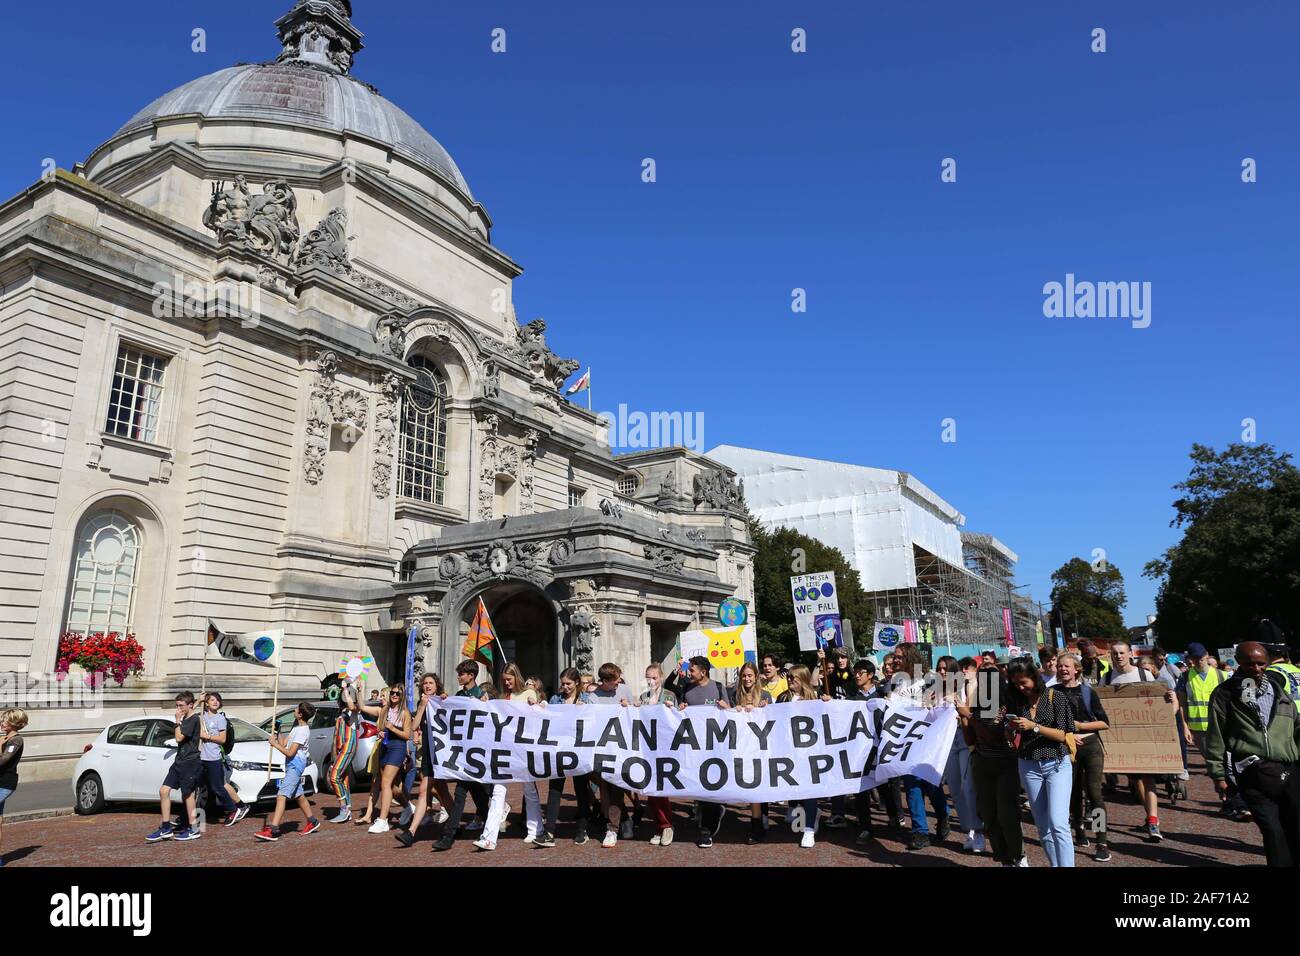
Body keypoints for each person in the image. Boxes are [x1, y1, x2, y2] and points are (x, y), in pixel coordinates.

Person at [1205, 640, 1300, 867]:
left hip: (1287, 768)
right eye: (1250, 664)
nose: (1256, 669)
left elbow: (1296, 728)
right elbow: (1216, 736)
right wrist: (1218, 775)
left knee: (1295, 825)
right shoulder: (1225, 694)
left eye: (1260, 664)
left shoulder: (1279, 692)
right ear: (1238, 662)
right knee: (1272, 829)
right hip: (1252, 771)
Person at [1006, 659, 1076, 867]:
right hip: (1028, 765)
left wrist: (1033, 726)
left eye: (1023, 682)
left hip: (1056, 763)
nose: (1020, 687)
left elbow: (1063, 734)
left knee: (1058, 823)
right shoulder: (1017, 700)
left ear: (1034, 677)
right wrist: (1010, 730)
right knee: (1043, 825)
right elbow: (1013, 734)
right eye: (1015, 683)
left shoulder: (1056, 697)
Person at [1102, 640, 1170, 841]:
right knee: (1135, 780)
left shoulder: (1144, 675)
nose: (1119, 656)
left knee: (1147, 779)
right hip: (1121, 737)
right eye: (1115, 653)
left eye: (1122, 653)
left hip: (1144, 734)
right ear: (1110, 655)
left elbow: (1156, 702)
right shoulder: (1106, 678)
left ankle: (1153, 821)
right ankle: (1148, 815)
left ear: (1129, 654)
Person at [961, 662, 1026, 866]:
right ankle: (1003, 858)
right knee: (989, 816)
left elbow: (991, 735)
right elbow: (970, 740)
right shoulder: (977, 702)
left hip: (1006, 763)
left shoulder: (1007, 702)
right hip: (982, 764)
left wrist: (968, 716)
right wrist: (965, 720)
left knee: (1007, 814)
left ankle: (1019, 856)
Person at [890, 645, 948, 850]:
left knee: (932, 785)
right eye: (895, 658)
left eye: (899, 657)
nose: (895, 660)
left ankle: (943, 815)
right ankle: (920, 832)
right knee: (912, 786)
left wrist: (930, 703)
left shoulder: (930, 679)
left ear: (909, 657)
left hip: (928, 741)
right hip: (906, 743)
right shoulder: (896, 682)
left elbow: (941, 705)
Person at [1056, 652, 1112, 862]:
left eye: (1067, 666)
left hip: (1090, 745)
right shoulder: (1051, 693)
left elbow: (1104, 722)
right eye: (1060, 666)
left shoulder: (1088, 692)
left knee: (1094, 793)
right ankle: (1078, 827)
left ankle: (1101, 841)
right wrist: (1067, 734)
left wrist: (1080, 726)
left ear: (1076, 669)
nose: (1063, 669)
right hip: (1065, 746)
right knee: (1071, 791)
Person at [433, 660, 493, 852]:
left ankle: (448, 836)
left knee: (463, 793)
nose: (459, 677)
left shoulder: (482, 695)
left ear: (471, 676)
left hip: (476, 753)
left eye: (462, 674)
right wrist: (443, 700)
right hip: (463, 752)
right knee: (476, 794)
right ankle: (490, 821)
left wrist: (486, 705)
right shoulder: (459, 695)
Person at [535, 667, 596, 848]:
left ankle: (582, 830)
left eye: (568, 684)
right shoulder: (556, 699)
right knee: (554, 790)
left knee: (581, 790)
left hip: (578, 751)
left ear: (577, 683)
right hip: (559, 750)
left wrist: (584, 711)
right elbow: (546, 715)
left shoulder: (586, 700)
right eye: (563, 684)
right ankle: (549, 832)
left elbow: (595, 720)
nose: (565, 687)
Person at [395, 673, 456, 847]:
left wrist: (444, 700)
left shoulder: (442, 701)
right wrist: (422, 706)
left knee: (423, 791)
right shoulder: (423, 704)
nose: (428, 685)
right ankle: (454, 823)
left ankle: (411, 832)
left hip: (441, 754)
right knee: (442, 792)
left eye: (431, 683)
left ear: (437, 685)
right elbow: (414, 727)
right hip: (429, 754)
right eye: (425, 683)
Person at [679, 656, 732, 847]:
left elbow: (730, 714)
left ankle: (706, 830)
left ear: (703, 672)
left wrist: (726, 708)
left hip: (714, 747)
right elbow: (679, 713)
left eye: (692, 670)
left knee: (709, 785)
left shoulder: (718, 687)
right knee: (698, 785)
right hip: (693, 746)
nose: (688, 673)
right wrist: (681, 709)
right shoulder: (686, 688)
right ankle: (711, 811)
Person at [936, 655, 984, 854]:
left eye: (945, 668)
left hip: (965, 739)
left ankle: (979, 832)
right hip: (947, 742)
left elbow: (973, 715)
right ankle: (969, 829)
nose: (941, 672)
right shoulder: (935, 691)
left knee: (968, 787)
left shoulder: (967, 687)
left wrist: (956, 704)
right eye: (939, 668)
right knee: (954, 787)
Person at [255, 701, 321, 841]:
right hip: (291, 765)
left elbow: (290, 753)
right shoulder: (297, 728)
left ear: (300, 714)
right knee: (299, 795)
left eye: (297, 708)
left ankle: (273, 829)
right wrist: (277, 732)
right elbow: (284, 743)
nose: (295, 709)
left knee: (281, 795)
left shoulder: (303, 731)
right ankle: (312, 821)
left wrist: (274, 745)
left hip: (295, 765)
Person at [147, 692, 204, 843]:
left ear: (189, 706)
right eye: (177, 706)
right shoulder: (188, 714)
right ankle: (165, 828)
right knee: (163, 790)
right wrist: (199, 700)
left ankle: (194, 829)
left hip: (190, 761)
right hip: (179, 761)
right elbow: (190, 706)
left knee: (188, 795)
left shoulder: (193, 719)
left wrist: (177, 721)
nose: (178, 709)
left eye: (181, 706)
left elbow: (179, 738)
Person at [727, 661, 773, 844]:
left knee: (759, 787)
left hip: (760, 747)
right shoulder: (734, 695)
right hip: (742, 747)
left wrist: (764, 709)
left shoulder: (765, 695)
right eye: (744, 676)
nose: (746, 679)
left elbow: (774, 718)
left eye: (750, 676)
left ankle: (758, 825)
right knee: (751, 786)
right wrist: (733, 710)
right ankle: (758, 823)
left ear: (756, 677)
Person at [776, 665, 821, 848]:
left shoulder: (814, 699)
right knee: (797, 789)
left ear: (802, 678)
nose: (790, 681)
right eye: (789, 678)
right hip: (789, 751)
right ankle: (806, 818)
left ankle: (808, 829)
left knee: (809, 790)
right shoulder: (783, 698)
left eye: (794, 678)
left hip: (808, 752)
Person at [589, 662, 634, 847]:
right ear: (605, 681)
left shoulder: (624, 690)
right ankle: (624, 821)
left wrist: (628, 707)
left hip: (623, 748)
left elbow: (635, 715)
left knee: (616, 787)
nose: (618, 684)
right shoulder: (593, 697)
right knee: (607, 789)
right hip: (603, 749)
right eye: (614, 682)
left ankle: (612, 828)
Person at [500, 663, 544, 842]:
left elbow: (537, 717)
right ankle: (490, 832)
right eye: (504, 681)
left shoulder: (528, 693)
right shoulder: (505, 696)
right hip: (507, 746)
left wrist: (536, 706)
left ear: (516, 677)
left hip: (524, 746)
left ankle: (535, 829)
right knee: (498, 788)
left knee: (529, 789)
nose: (507, 683)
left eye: (509, 680)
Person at [635, 663, 678, 846]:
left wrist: (671, 709)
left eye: (654, 677)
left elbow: (678, 720)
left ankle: (666, 826)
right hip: (647, 747)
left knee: (661, 789)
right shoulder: (643, 697)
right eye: (648, 677)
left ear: (661, 677)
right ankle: (660, 826)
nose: (651, 681)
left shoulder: (669, 695)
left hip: (665, 747)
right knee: (651, 789)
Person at [327, 682, 380, 823]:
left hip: (348, 746)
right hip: (340, 747)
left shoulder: (353, 710)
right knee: (343, 778)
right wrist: (333, 755)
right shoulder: (341, 713)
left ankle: (344, 808)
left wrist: (348, 689)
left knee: (334, 777)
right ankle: (345, 810)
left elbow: (352, 706)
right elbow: (335, 736)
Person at [361, 686, 413, 833]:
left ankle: (383, 821)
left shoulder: (404, 713)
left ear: (402, 696)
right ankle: (408, 806)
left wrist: (392, 728)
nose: (394, 695)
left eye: (398, 693)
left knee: (385, 783)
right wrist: (359, 689)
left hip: (397, 747)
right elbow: (359, 706)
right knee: (394, 787)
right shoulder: (384, 710)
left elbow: (407, 735)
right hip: (385, 747)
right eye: (393, 693)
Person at [198, 692, 248, 827]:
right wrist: (198, 701)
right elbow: (187, 717)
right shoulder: (202, 717)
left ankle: (234, 809)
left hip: (214, 757)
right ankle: (241, 806)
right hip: (202, 757)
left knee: (217, 787)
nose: (215, 702)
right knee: (220, 784)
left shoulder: (220, 719)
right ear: (206, 703)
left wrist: (205, 736)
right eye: (212, 700)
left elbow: (222, 739)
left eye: (217, 700)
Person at [471, 682, 511, 851]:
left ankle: (488, 838)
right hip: (487, 756)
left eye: (484, 695)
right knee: (491, 791)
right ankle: (489, 838)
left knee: (497, 793)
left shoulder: (501, 709)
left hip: (502, 757)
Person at [0, 708, 28, 868]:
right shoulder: (4, 738)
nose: (2, 722)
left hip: (5, 784)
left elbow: (3, 761)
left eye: (5, 720)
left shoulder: (16, 740)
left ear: (14, 723)